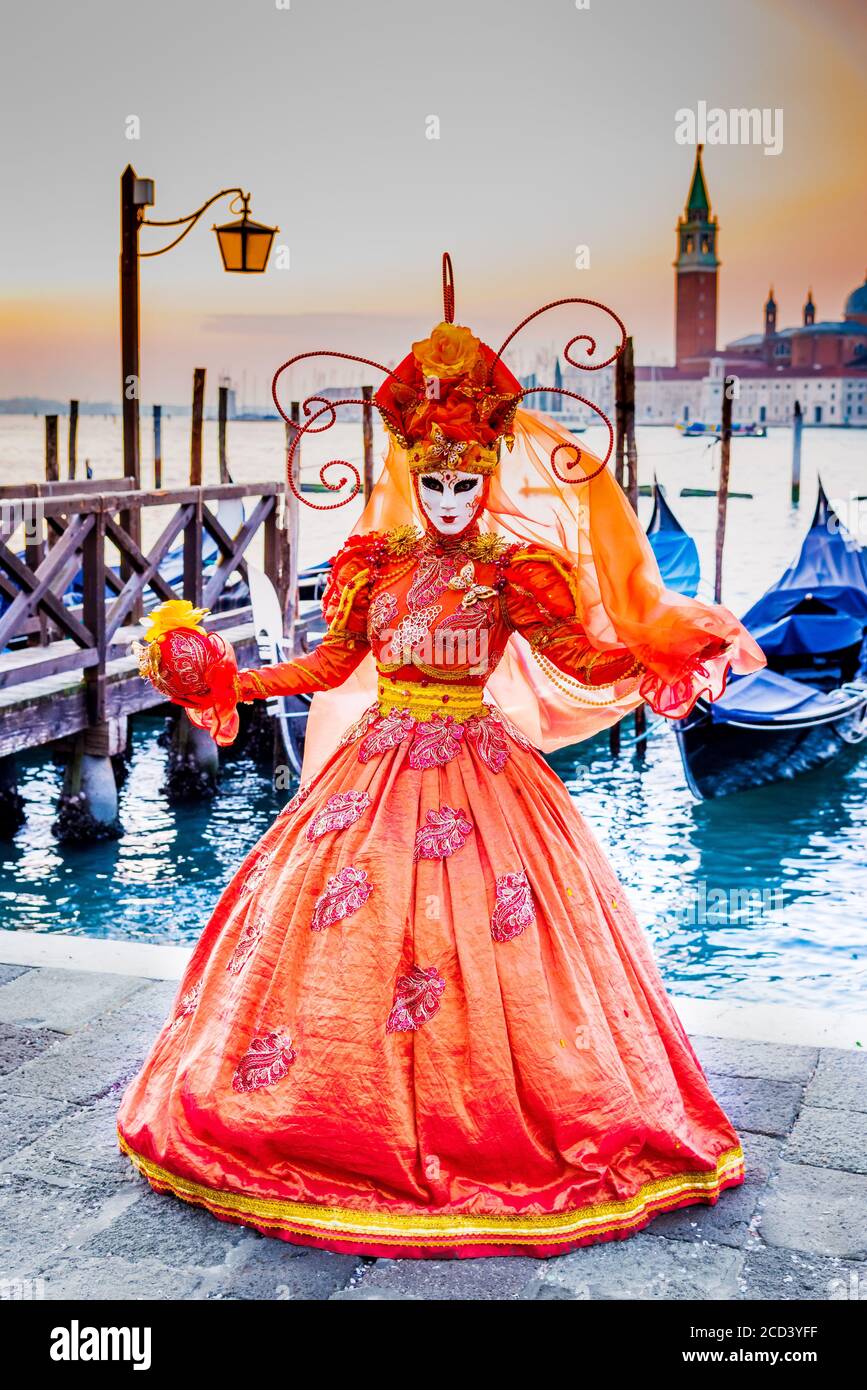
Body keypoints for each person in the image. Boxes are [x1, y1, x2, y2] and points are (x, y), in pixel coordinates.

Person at [118, 269, 764, 1258]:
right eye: (436, 481)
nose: (453, 499)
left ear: (490, 475)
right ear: (412, 474)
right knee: (358, 941)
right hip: (371, 776)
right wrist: (229, 679)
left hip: (486, 774)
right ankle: (344, 1115)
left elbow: (582, 658)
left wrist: (663, 649)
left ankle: (487, 1117)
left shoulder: (515, 573)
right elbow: (329, 666)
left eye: (468, 481)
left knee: (489, 949)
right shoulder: (371, 566)